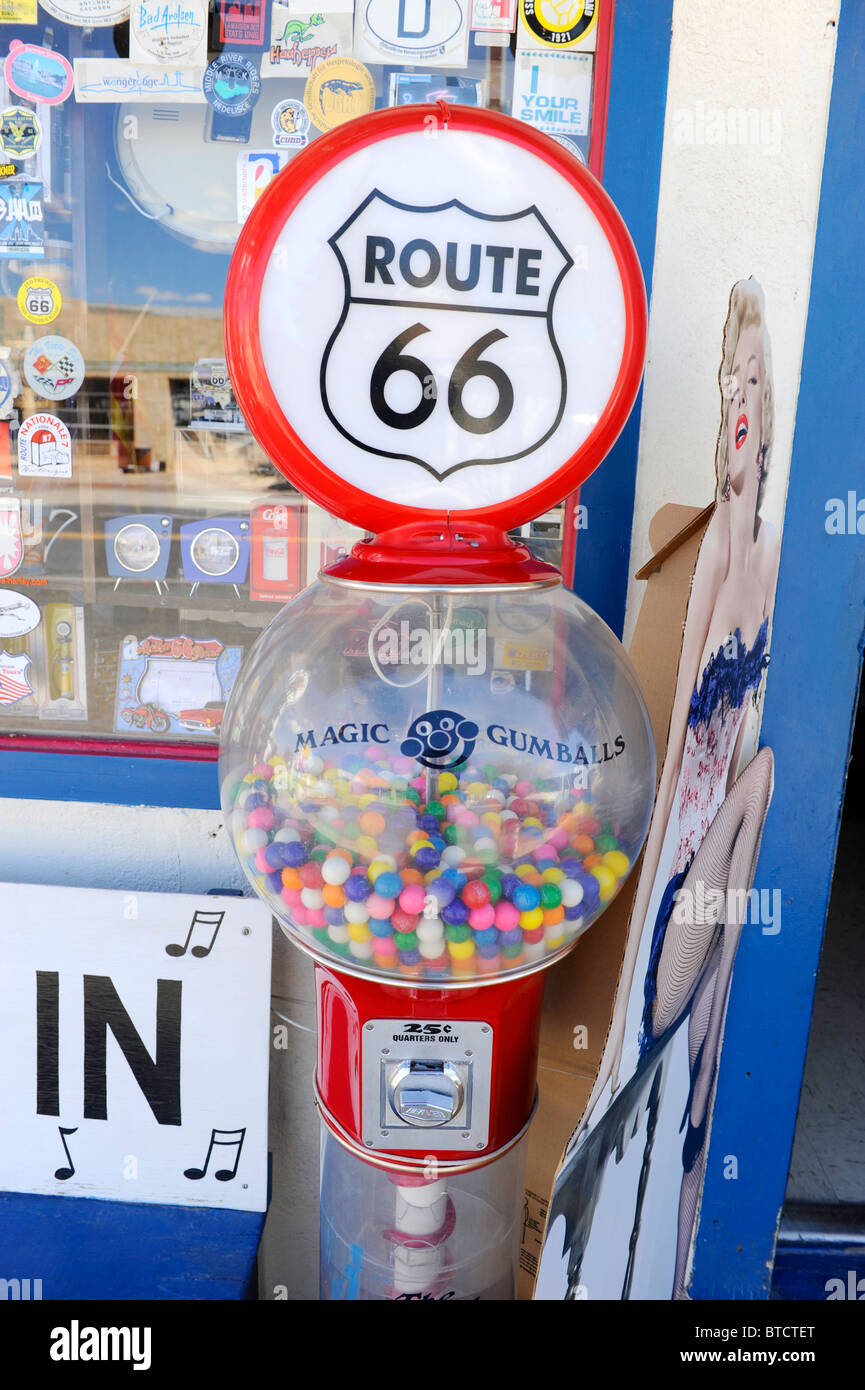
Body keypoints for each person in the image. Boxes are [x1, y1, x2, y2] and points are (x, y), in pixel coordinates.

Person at [572, 278, 781, 1295]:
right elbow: (686, 737)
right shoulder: (707, 566)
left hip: (725, 837)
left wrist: (748, 809)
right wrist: (739, 810)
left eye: (755, 381)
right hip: (688, 843)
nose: (740, 401)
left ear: (773, 409)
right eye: (729, 380)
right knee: (649, 1058)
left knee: (685, 1074)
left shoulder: (771, 562)